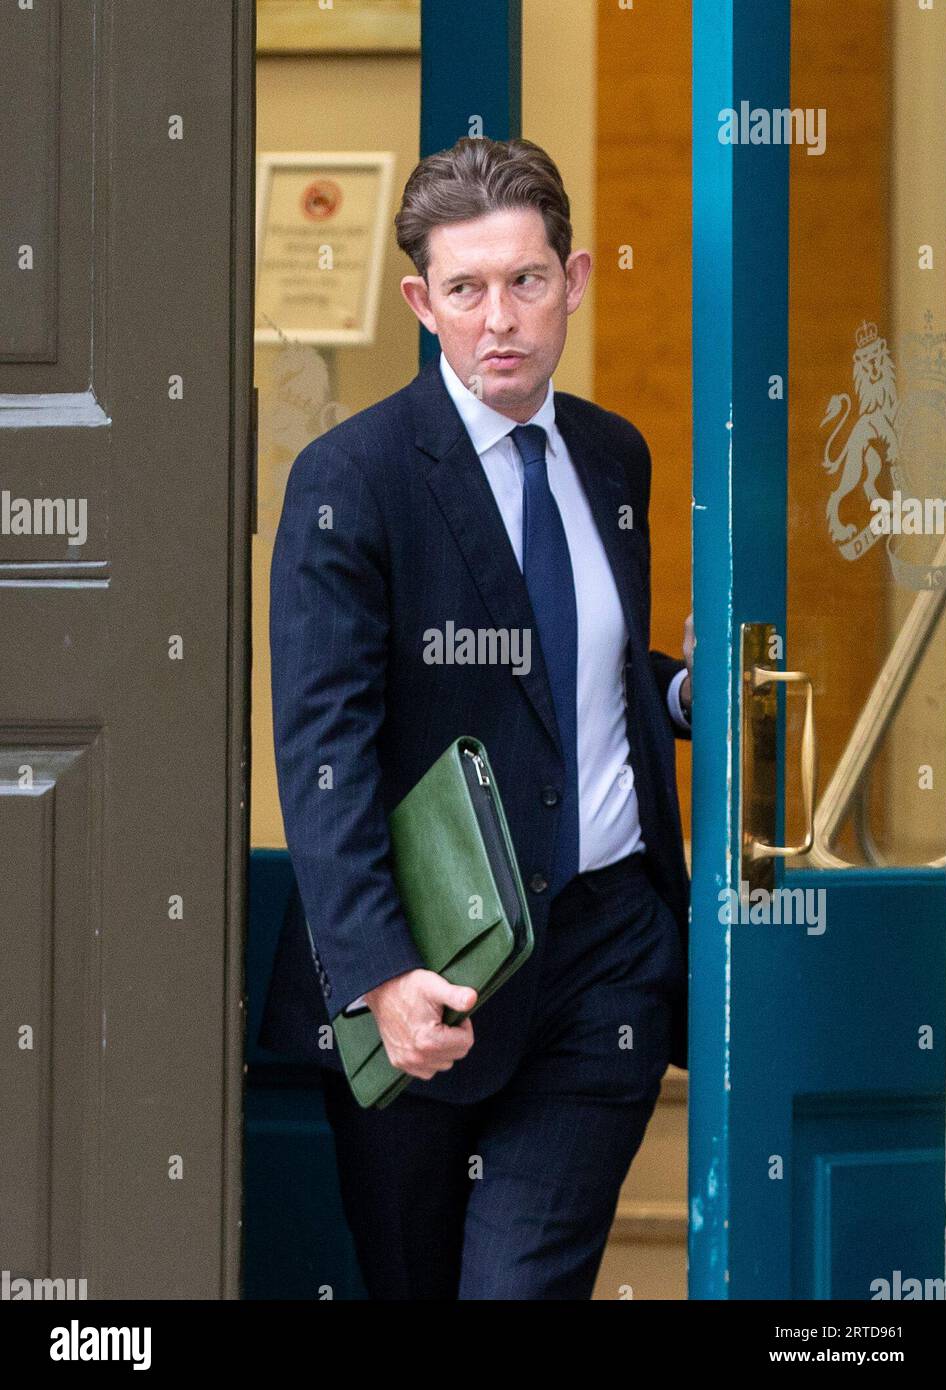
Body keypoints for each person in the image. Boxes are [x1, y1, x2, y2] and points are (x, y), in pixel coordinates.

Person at [259, 135, 695, 1300]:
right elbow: (323, 744)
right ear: (421, 301)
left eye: (526, 280)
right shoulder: (354, 477)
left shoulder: (613, 456)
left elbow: (563, 670)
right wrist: (378, 973)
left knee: (519, 1287)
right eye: (465, 289)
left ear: (577, 279)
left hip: (603, 960)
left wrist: (680, 693)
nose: (499, 316)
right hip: (427, 967)